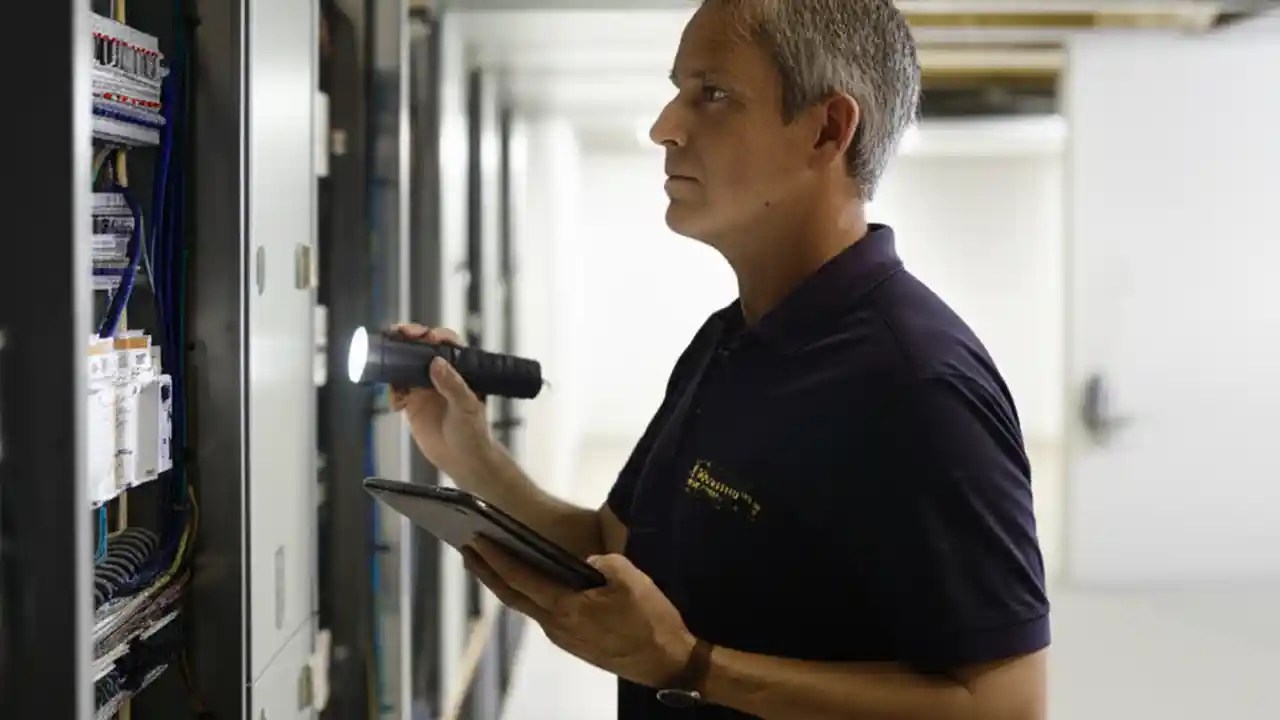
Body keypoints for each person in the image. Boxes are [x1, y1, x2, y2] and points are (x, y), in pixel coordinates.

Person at [391, 0, 1050, 717]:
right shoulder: (729, 338)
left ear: (827, 129)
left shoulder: (915, 383)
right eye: (678, 91)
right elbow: (616, 545)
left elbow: (1004, 706)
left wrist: (694, 666)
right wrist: (472, 457)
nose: (664, 127)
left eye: (712, 95)